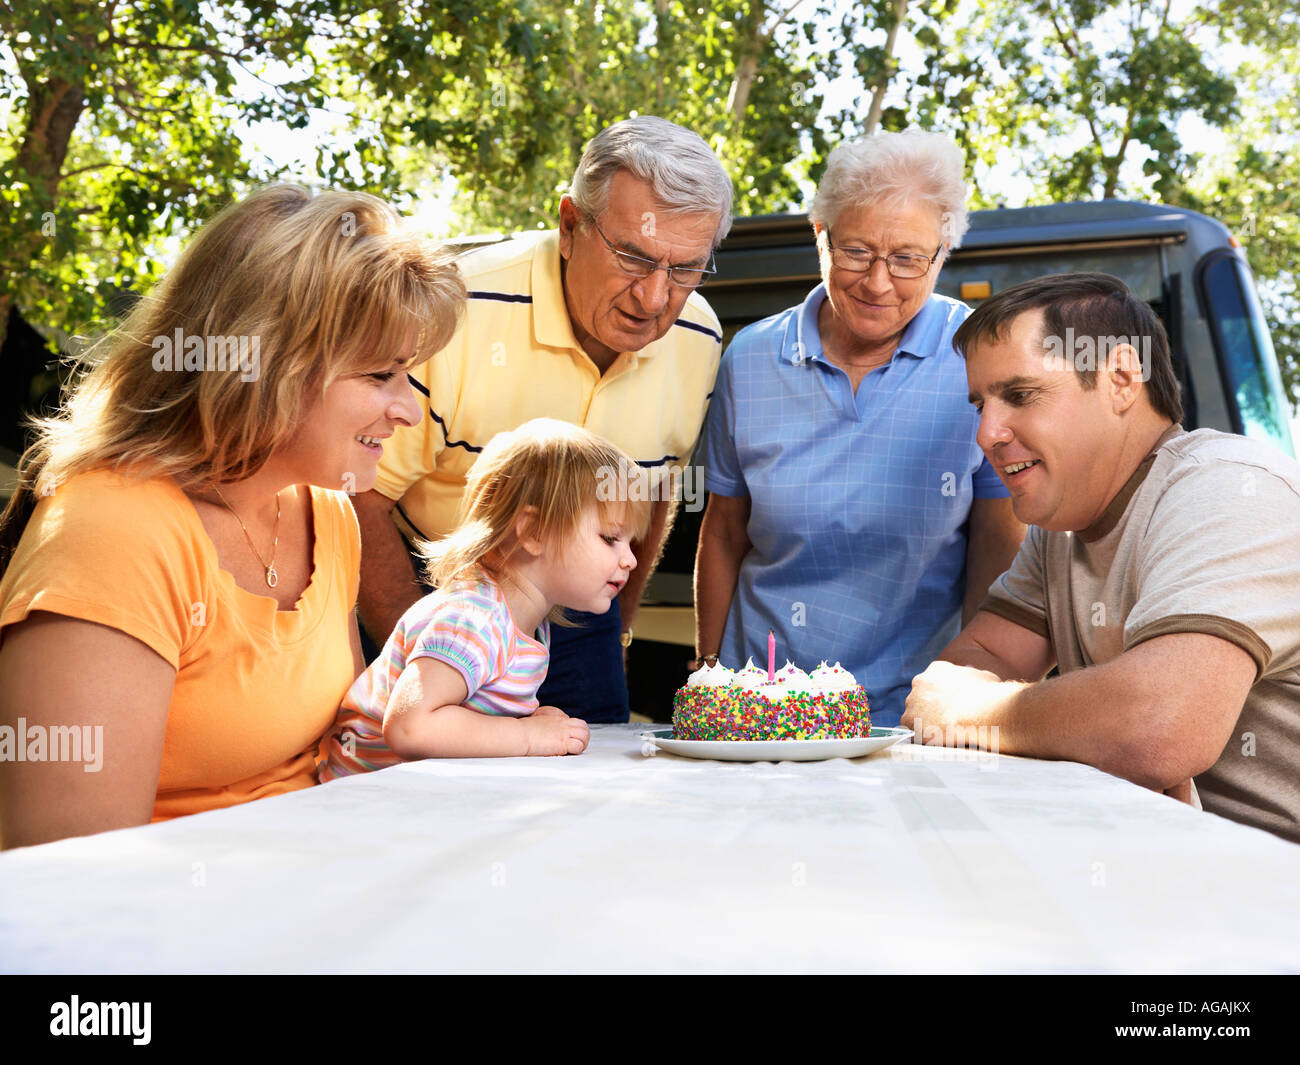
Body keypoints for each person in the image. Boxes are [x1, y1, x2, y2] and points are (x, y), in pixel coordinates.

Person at [0, 184, 466, 849]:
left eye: (407, 375)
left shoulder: (328, 511)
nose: (408, 410)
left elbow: (340, 753)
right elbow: (71, 882)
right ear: (266, 365)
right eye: (378, 376)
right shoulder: (114, 531)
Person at [353, 115, 733, 724]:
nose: (655, 298)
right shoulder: (457, 307)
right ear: (570, 226)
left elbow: (656, 493)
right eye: (633, 258)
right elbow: (359, 495)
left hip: (579, 608)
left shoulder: (699, 333)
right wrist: (427, 652)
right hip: (432, 593)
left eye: (686, 268)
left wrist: (616, 630)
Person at [903, 272, 1300, 844]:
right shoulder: (1061, 527)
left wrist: (976, 713)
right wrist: (1092, 734)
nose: (986, 433)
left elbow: (1159, 729)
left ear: (1119, 378)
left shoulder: (1230, 490)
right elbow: (967, 668)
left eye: (1020, 395)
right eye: (980, 405)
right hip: (1176, 874)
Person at [695, 129, 1025, 726]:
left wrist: (975, 687)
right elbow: (723, 533)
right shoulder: (749, 358)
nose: (878, 283)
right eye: (856, 252)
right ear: (820, 236)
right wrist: (708, 675)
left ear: (942, 255)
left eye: (906, 258)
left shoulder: (978, 355)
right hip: (758, 701)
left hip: (910, 709)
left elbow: (998, 542)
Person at [320, 419, 651, 778]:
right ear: (533, 531)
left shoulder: (525, 623)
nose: (629, 559)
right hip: (365, 802)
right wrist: (524, 736)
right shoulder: (474, 618)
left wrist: (525, 722)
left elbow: (467, 720)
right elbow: (410, 728)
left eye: (630, 542)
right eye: (609, 538)